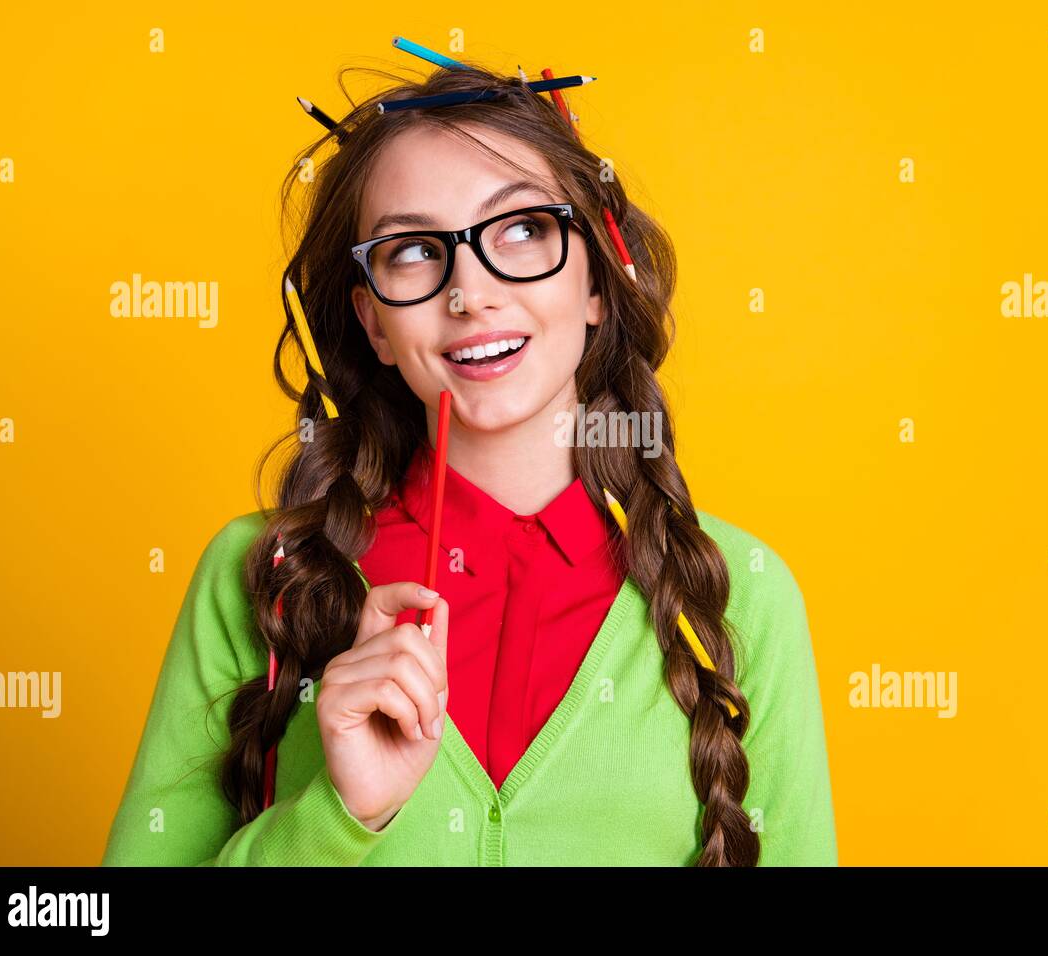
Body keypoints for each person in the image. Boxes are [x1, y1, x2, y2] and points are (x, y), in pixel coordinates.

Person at [102, 61, 837, 866]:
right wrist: (337, 814)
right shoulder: (263, 573)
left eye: (523, 229)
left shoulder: (744, 598)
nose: (471, 292)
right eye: (415, 250)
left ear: (595, 278)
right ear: (374, 322)